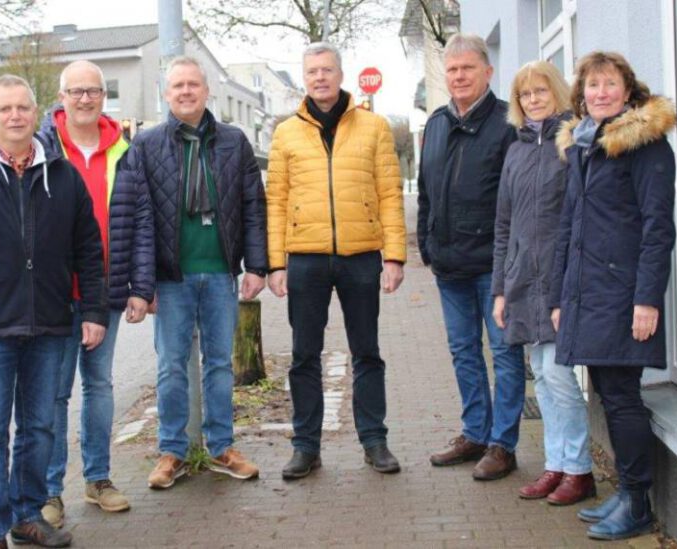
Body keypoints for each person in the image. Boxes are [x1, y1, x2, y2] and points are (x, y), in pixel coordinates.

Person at [0, 75, 108, 549]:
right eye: (4, 109)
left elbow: (88, 250)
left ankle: (27, 516)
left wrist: (93, 311)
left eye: (22, 108)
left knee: (39, 428)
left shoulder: (63, 174)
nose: (14, 116)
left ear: (37, 114)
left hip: (52, 324)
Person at [119, 56, 268, 489]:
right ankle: (172, 451)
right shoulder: (146, 146)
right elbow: (135, 218)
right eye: (178, 85)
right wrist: (141, 283)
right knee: (170, 366)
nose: (186, 91)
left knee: (221, 364)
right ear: (166, 93)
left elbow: (252, 207)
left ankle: (221, 446)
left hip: (221, 272)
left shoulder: (235, 142)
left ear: (207, 91)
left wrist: (255, 265)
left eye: (193, 84)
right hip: (171, 278)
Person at [551, 51, 676, 540]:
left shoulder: (645, 146)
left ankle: (638, 502)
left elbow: (657, 228)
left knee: (622, 397)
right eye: (592, 86)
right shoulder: (585, 144)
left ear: (628, 91)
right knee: (607, 391)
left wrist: (647, 299)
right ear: (581, 95)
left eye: (610, 85)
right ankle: (625, 491)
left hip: (623, 295)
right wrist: (562, 298)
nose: (600, 93)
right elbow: (570, 227)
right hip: (588, 294)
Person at [267, 42, 406, 479]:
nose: (320, 78)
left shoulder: (374, 127)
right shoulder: (286, 132)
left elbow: (389, 193)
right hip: (305, 259)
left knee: (367, 351)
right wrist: (276, 263)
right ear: (304, 78)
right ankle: (306, 446)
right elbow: (276, 201)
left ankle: (374, 440)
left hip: (361, 255)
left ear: (340, 74)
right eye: (312, 72)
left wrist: (395, 255)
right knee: (304, 354)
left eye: (327, 70)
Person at [37, 60, 155, 527]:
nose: (85, 99)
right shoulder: (43, 148)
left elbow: (143, 223)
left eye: (93, 91)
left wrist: (141, 287)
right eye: (76, 91)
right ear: (61, 96)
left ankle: (99, 479)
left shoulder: (126, 150)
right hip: (53, 295)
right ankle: (49, 491)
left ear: (104, 97)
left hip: (104, 291)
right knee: (53, 395)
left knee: (100, 387)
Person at [418, 33, 525, 480]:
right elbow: (425, 190)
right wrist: (426, 240)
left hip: (493, 269)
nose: (459, 77)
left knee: (503, 355)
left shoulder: (507, 124)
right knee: (463, 352)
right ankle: (475, 433)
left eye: (467, 68)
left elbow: (519, 200)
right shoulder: (438, 123)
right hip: (449, 267)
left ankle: (503, 444)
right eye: (452, 70)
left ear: (488, 72)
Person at [491, 61, 594, 504]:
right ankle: (555, 465)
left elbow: (581, 220)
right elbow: (503, 224)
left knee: (557, 374)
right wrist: (499, 288)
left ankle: (580, 469)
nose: (533, 100)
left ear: (557, 92)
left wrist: (569, 284)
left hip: (559, 281)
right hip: (521, 283)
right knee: (542, 376)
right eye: (524, 95)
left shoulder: (572, 143)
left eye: (540, 91)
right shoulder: (514, 150)